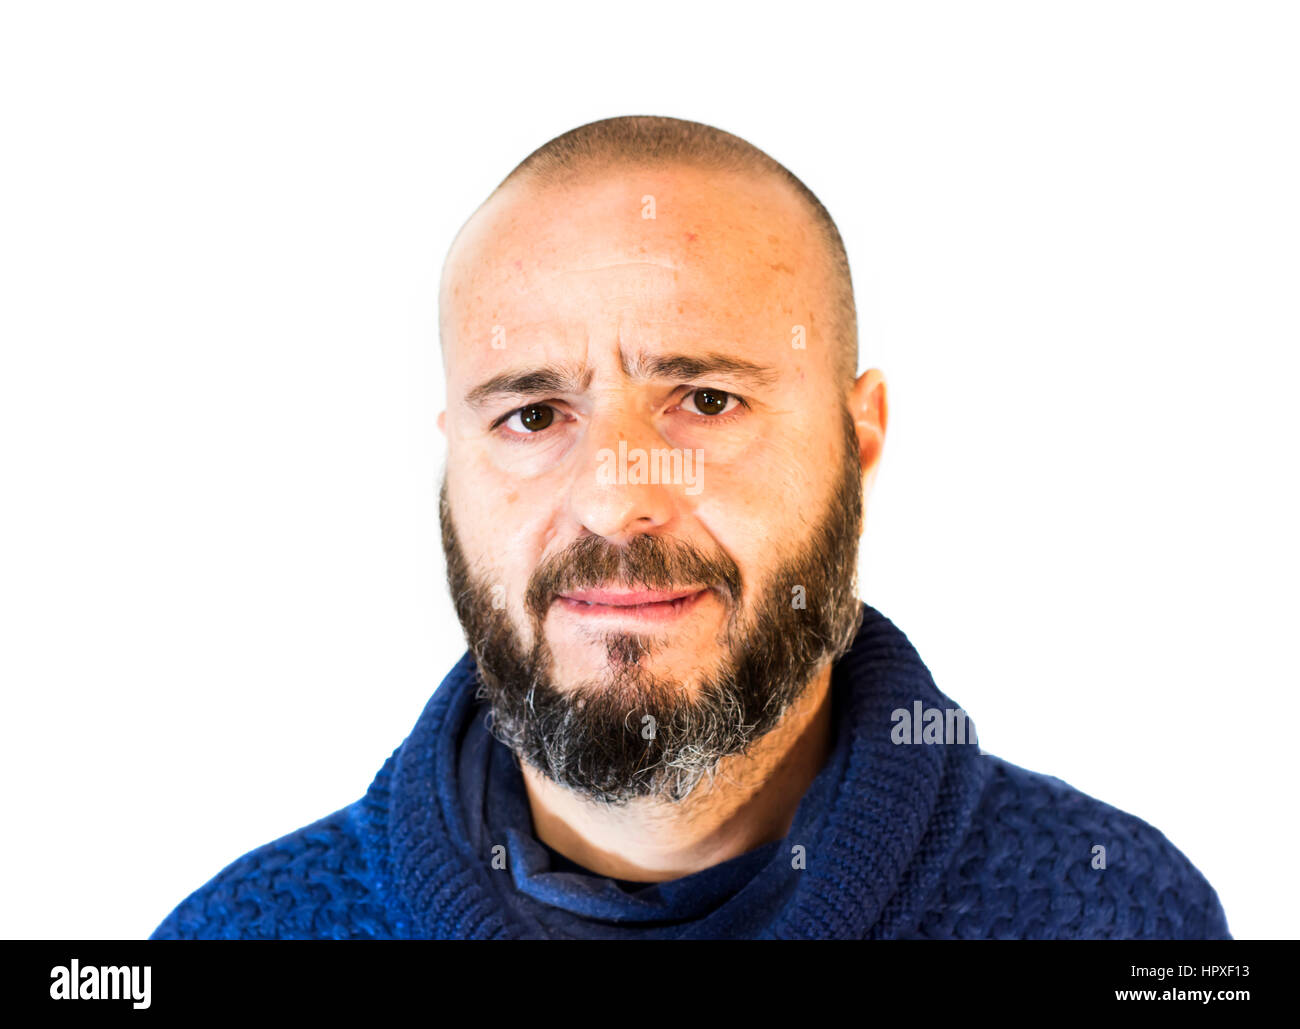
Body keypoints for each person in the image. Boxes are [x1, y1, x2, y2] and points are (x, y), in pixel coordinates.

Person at [150, 116, 1229, 940]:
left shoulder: (1123, 919)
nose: (618, 494)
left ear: (859, 437)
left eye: (705, 400)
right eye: (532, 415)